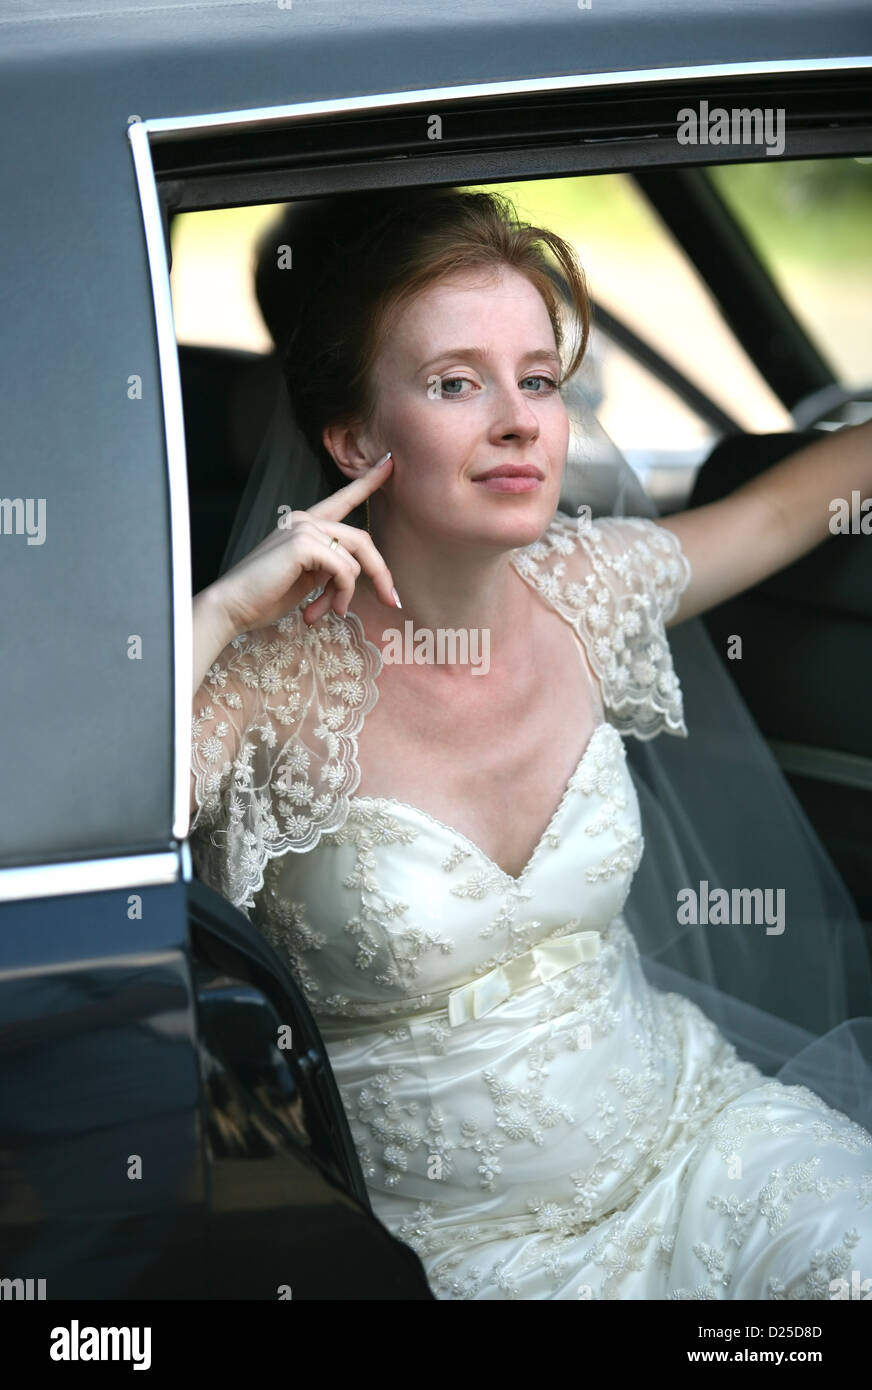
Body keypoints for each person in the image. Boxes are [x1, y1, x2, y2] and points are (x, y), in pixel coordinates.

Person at [189, 187, 872, 1300]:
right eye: (456, 383)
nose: (517, 418)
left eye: (539, 379)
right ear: (354, 434)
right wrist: (216, 615)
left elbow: (788, 511)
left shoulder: (590, 587)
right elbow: (62, 819)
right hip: (449, 1257)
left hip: (702, 1152)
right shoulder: (264, 691)